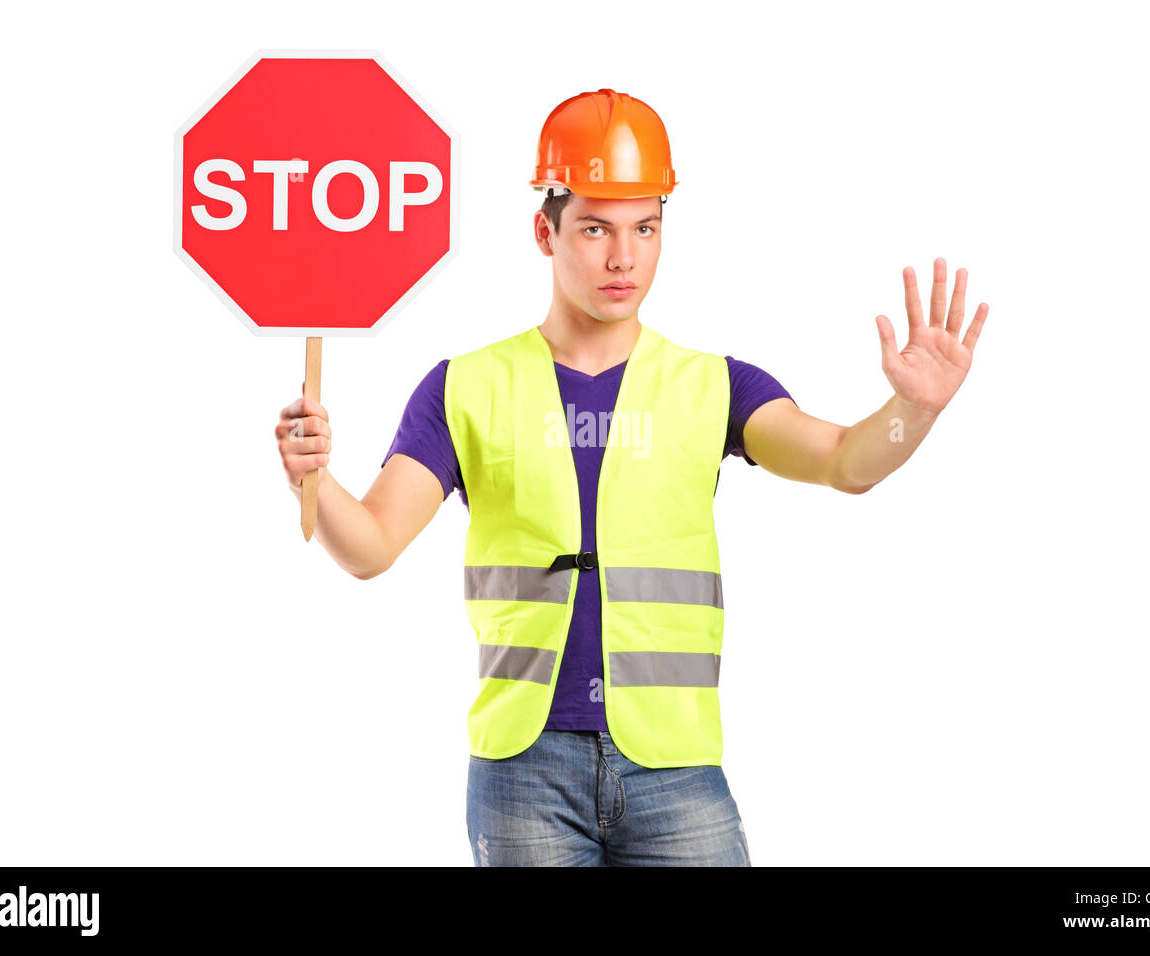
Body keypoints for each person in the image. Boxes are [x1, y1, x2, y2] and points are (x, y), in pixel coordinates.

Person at [273, 88, 990, 867]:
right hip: (524, 768)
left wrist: (909, 413)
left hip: (675, 767)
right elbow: (372, 546)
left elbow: (845, 461)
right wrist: (315, 478)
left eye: (645, 229)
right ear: (544, 232)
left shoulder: (716, 384)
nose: (623, 258)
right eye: (595, 229)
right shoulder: (464, 387)